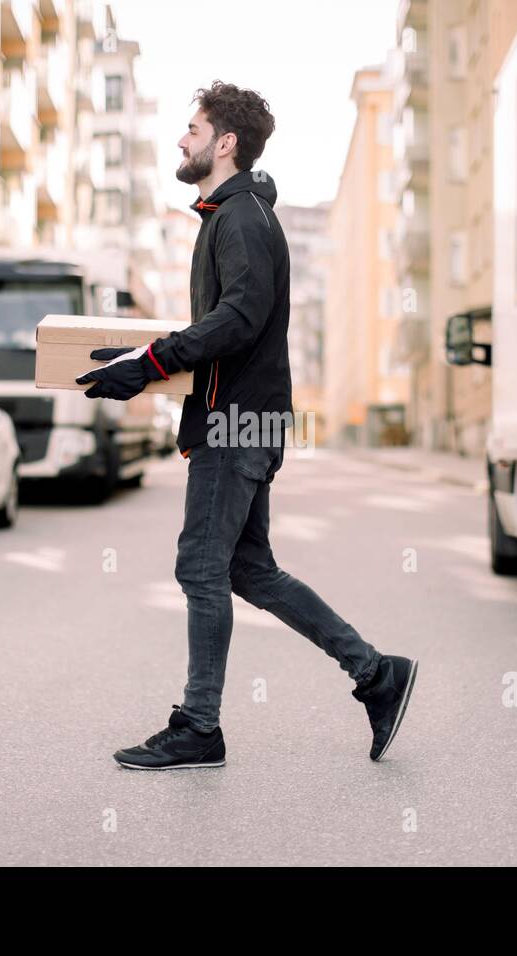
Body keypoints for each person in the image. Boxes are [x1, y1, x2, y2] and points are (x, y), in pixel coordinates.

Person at [76, 81, 418, 770]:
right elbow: (226, 326)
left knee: (201, 566)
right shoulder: (236, 216)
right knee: (248, 570)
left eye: (193, 128)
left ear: (224, 142)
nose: (182, 139)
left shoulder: (240, 220)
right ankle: (377, 674)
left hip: (237, 428)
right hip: (246, 423)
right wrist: (143, 361)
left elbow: (238, 320)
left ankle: (200, 725)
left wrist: (148, 364)